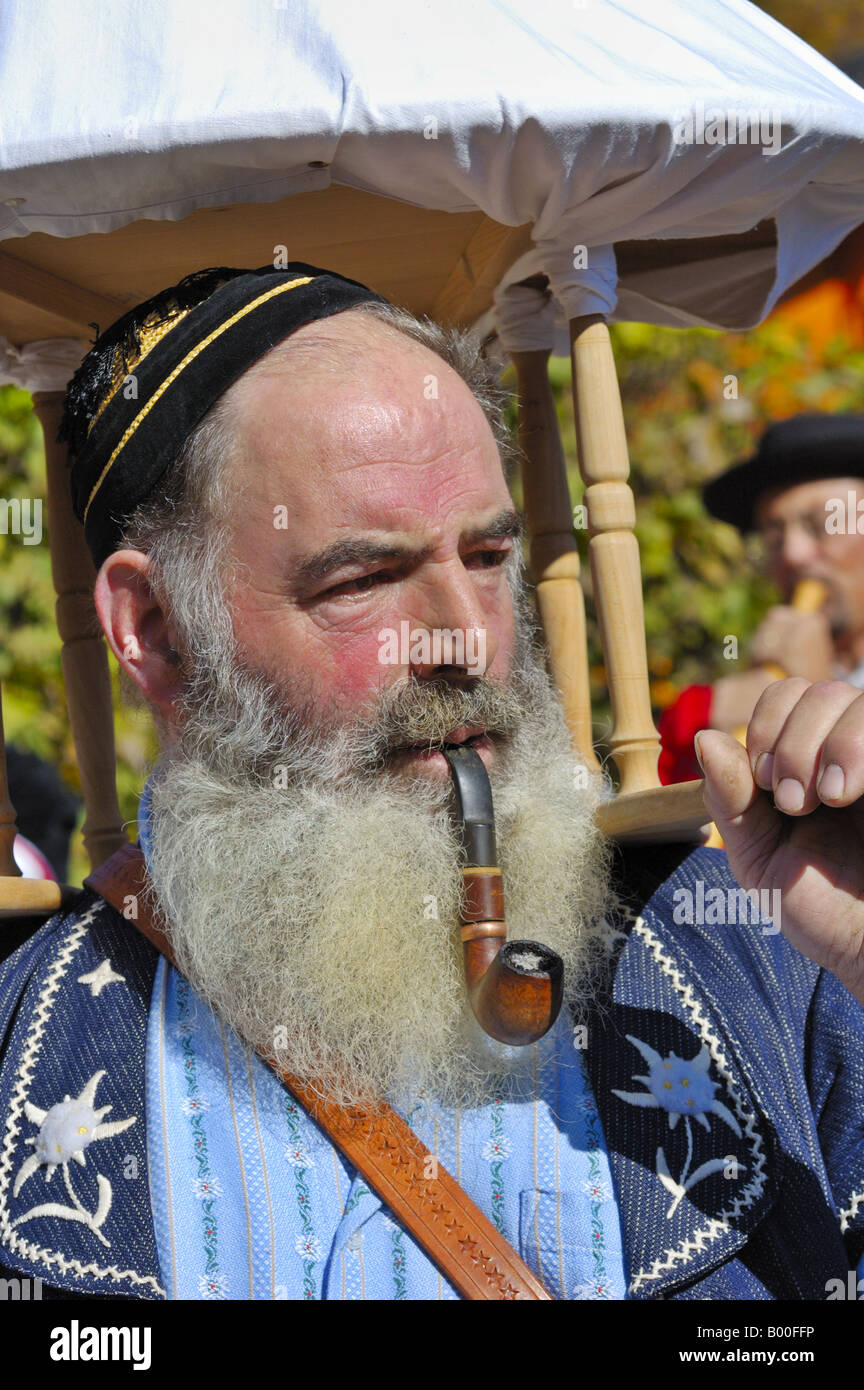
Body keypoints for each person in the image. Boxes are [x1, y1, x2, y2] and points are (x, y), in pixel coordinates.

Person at [0, 265, 862, 1302]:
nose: (464, 636)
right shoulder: (23, 1059)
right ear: (158, 633)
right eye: (362, 578)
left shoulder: (754, 962)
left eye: (491, 554)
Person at [659, 414, 864, 783]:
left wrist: (817, 695)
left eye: (820, 526)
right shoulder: (704, 716)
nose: (792, 553)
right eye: (773, 537)